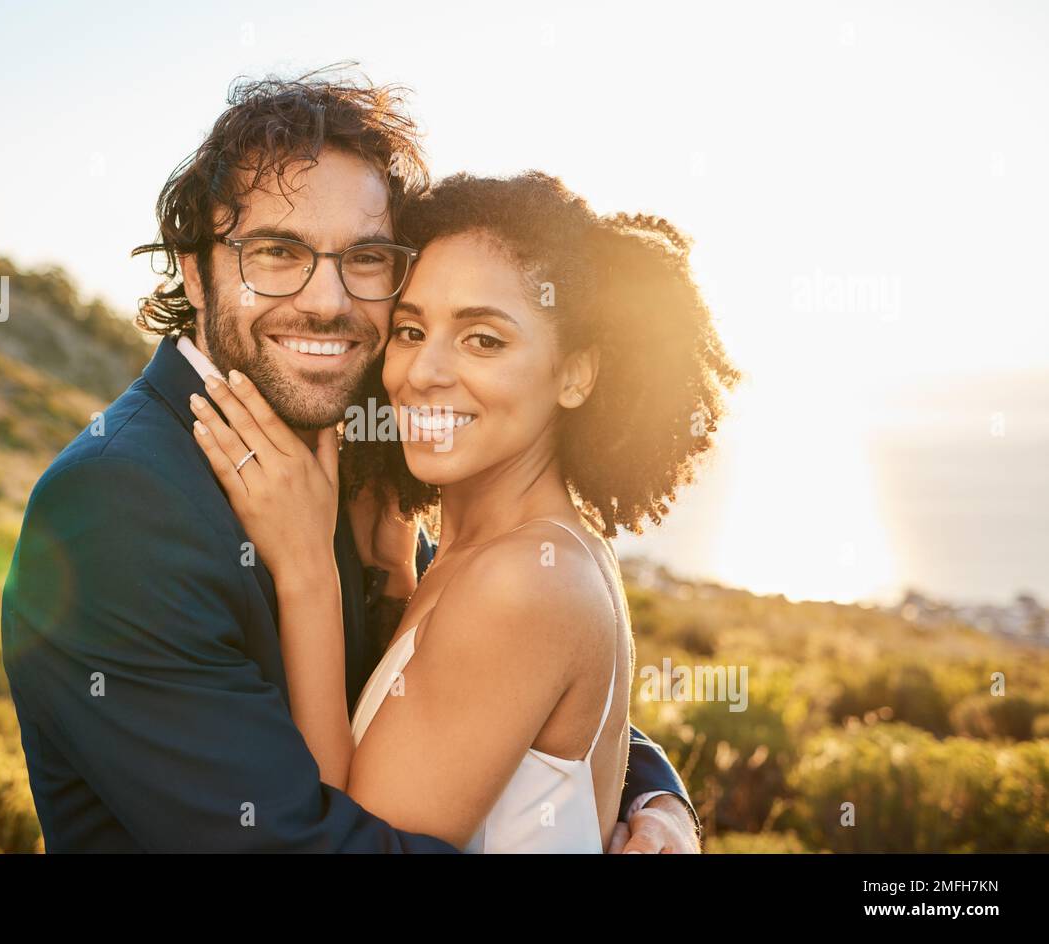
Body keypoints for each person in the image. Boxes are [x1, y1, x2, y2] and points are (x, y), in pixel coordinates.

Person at [1, 69, 701, 852]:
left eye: (364, 259)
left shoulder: (354, 455)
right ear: (195, 272)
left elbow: (487, 680)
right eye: (276, 252)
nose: (327, 302)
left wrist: (657, 799)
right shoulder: (117, 506)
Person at [190, 170, 738, 851]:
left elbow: (345, 841)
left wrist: (305, 569)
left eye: (484, 340)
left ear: (575, 374)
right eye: (412, 330)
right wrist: (394, 578)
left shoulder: (522, 581)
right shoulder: (499, 549)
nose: (423, 373)